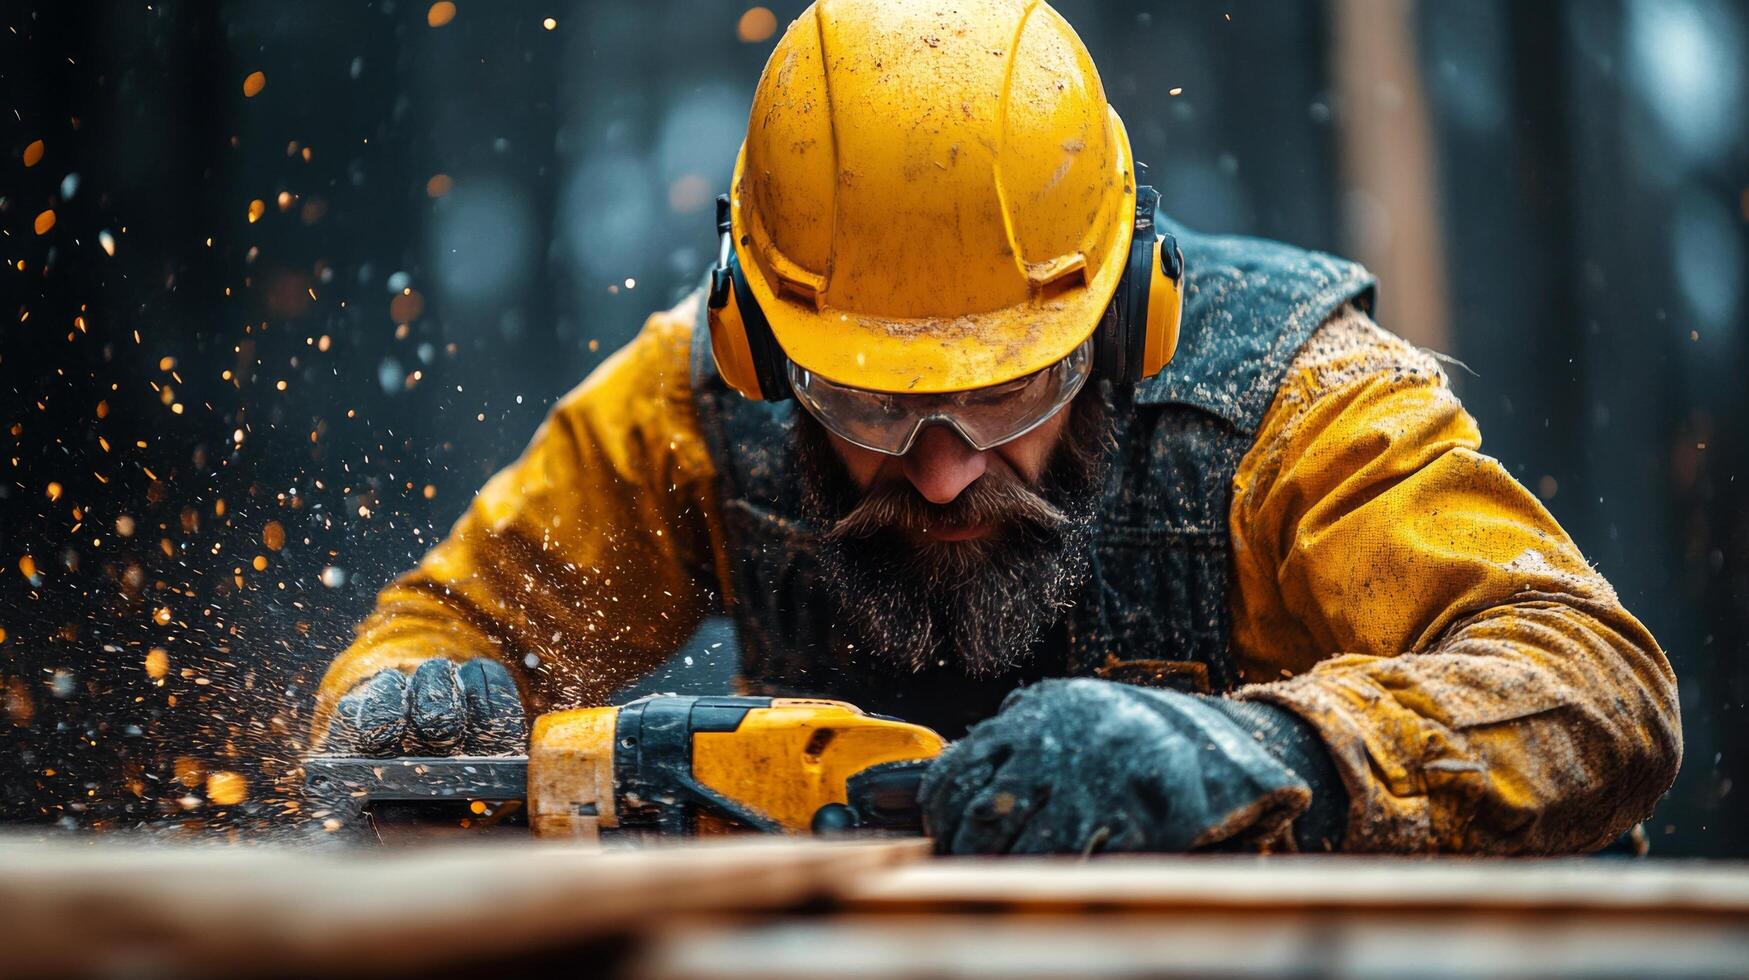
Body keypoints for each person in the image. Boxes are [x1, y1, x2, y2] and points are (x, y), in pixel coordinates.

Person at [311, 0, 1680, 854]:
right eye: (866, 401)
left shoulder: (1295, 405)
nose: (946, 464)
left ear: (1125, 317)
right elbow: (429, 650)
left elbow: (1595, 687)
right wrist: (420, 712)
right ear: (755, 340)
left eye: (1014, 387)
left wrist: (1276, 758)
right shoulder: (689, 402)